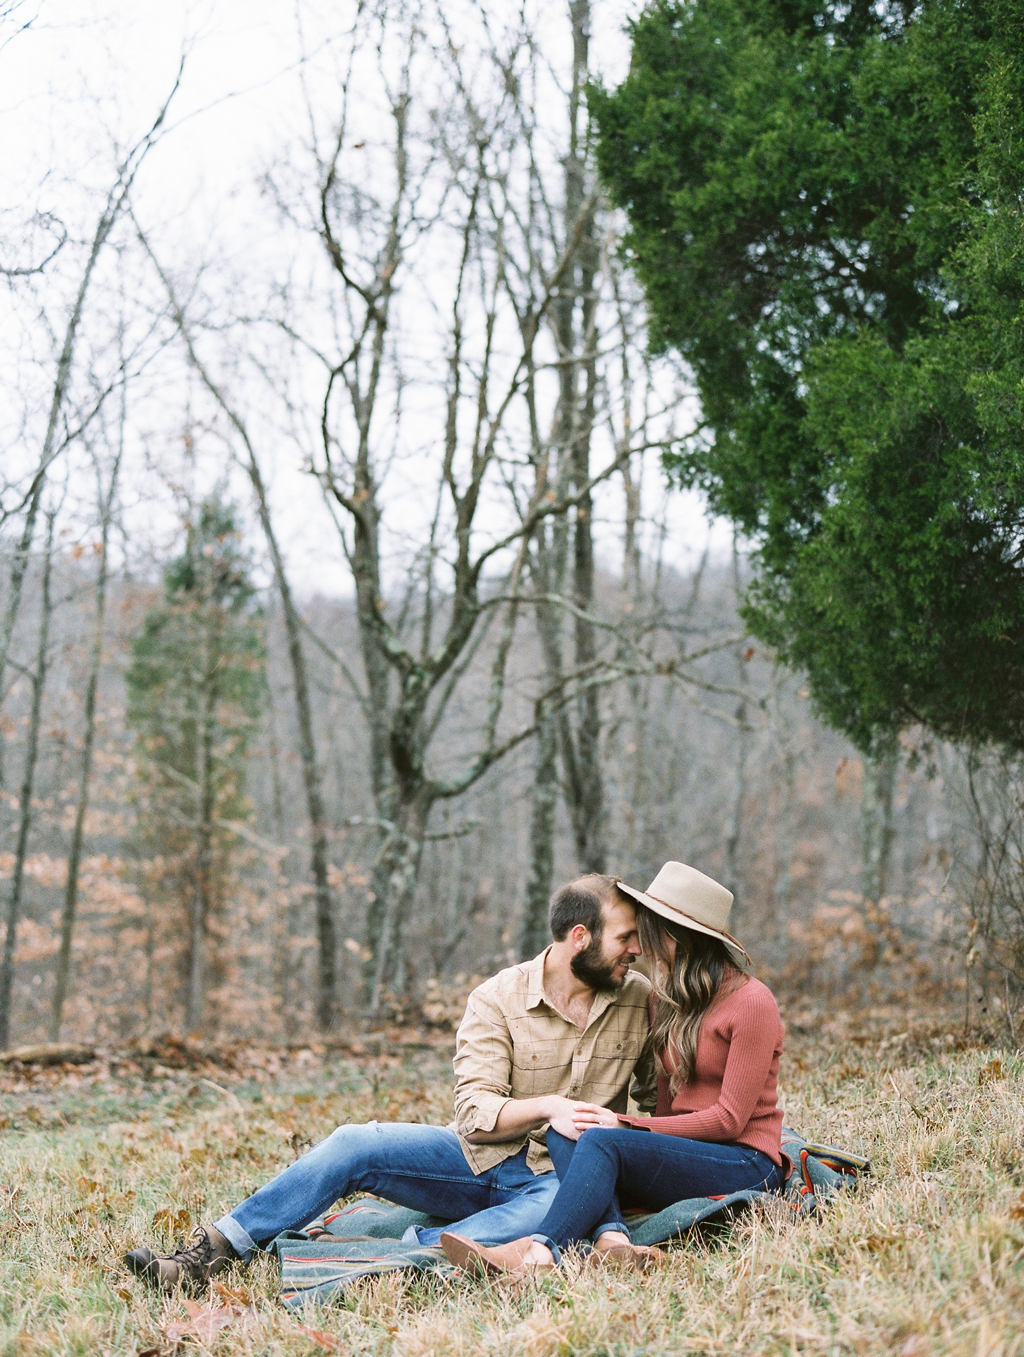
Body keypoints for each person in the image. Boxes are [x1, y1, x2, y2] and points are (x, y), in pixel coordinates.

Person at [124, 873, 655, 1291]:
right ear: (580, 937)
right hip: (479, 1159)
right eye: (626, 937)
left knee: (559, 1209)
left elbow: (658, 1105)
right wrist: (550, 1107)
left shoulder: (640, 999)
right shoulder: (497, 998)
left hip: (560, 1178)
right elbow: (474, 1115)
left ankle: (388, 1259)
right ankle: (217, 1249)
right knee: (357, 1142)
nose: (636, 950)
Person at [439, 860, 786, 1276]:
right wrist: (629, 1136)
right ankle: (613, 1239)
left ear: (678, 935)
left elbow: (729, 1122)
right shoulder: (665, 1001)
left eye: (649, 930)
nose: (640, 945)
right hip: (689, 1154)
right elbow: (663, 1107)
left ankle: (538, 1256)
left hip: (743, 1161)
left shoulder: (752, 1002)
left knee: (602, 1136)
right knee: (572, 1126)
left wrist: (624, 1127)